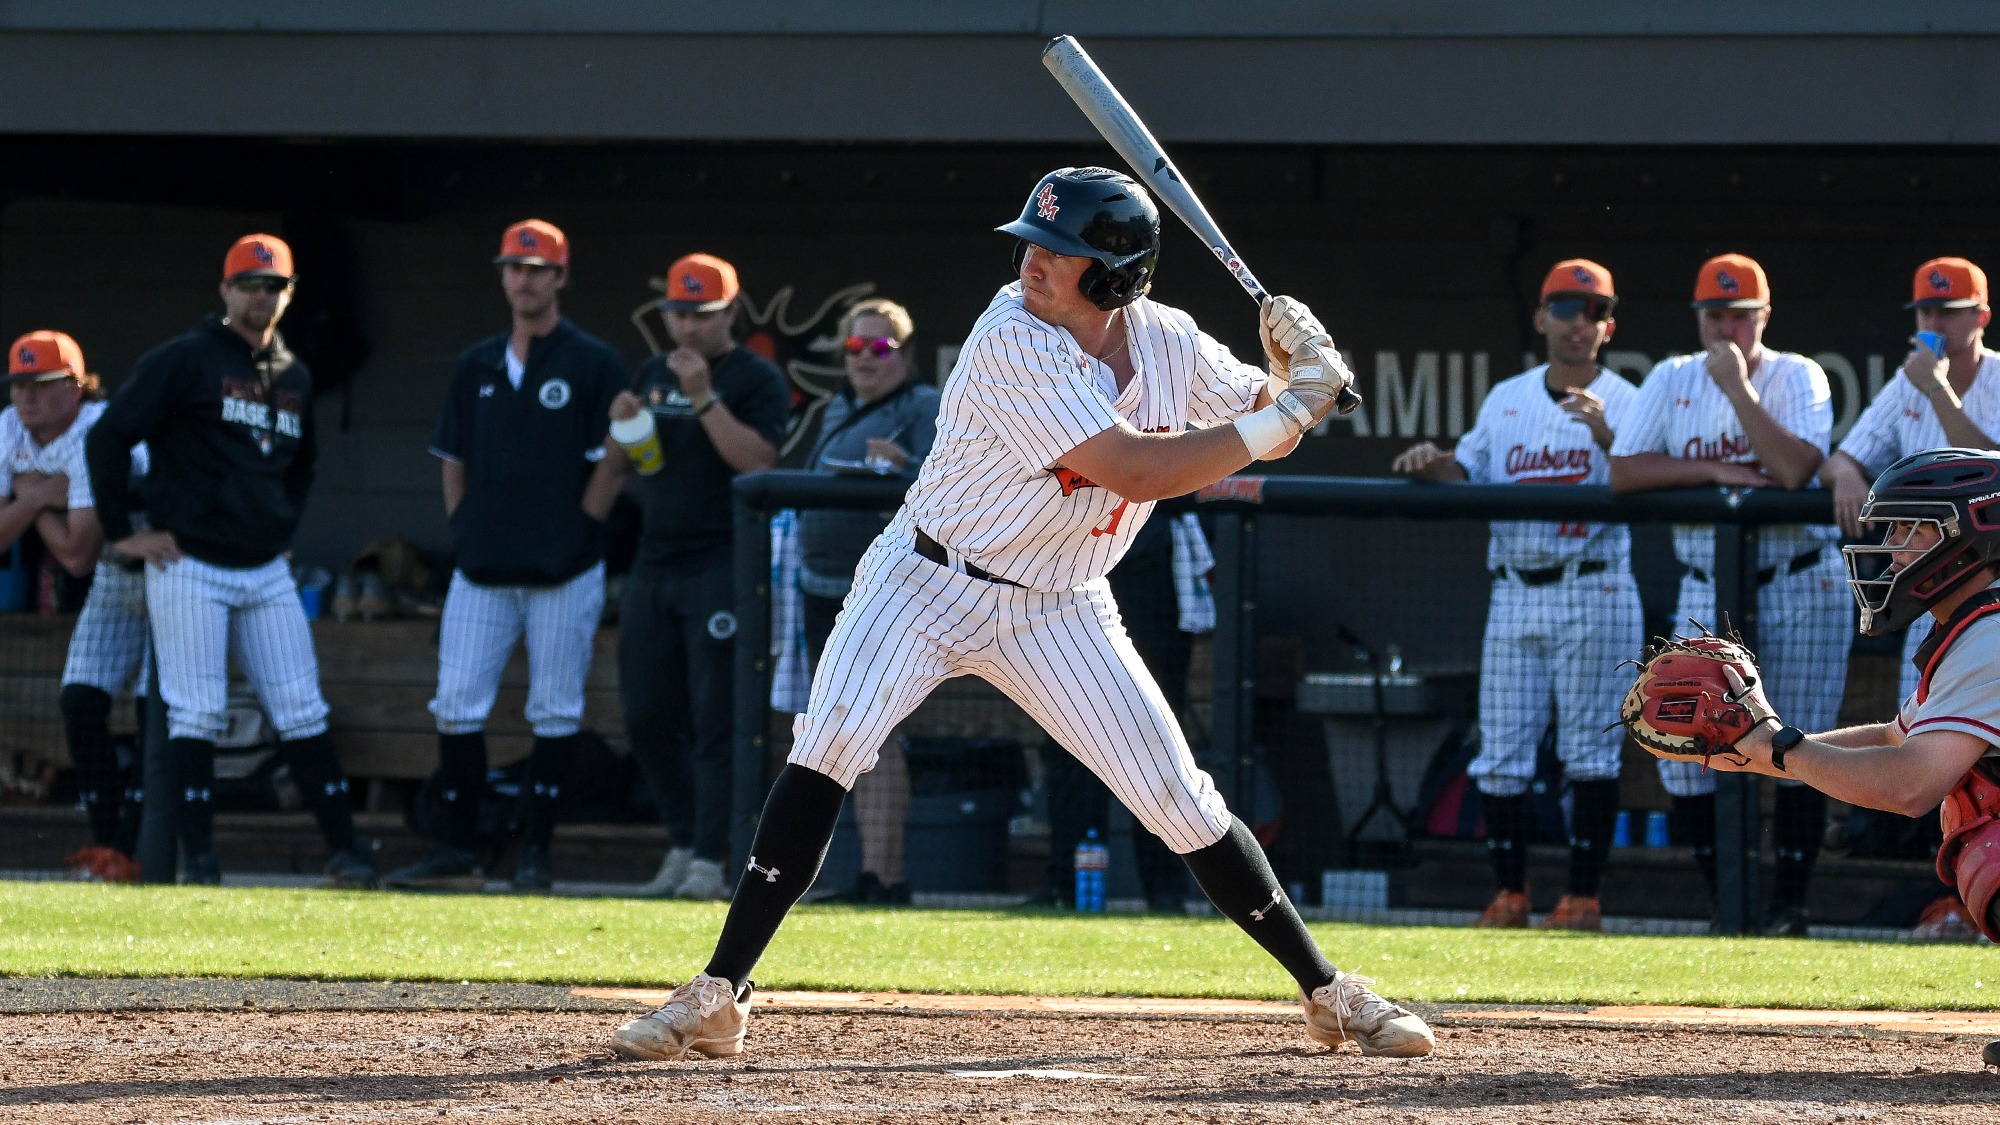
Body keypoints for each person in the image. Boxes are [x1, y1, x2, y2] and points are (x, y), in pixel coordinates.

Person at [610, 166, 1434, 1062]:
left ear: (1115, 275)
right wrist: (1296, 407)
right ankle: (719, 992)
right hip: (926, 578)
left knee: (1175, 793)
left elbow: (1264, 413)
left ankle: (1328, 993)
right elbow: (1144, 470)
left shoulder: (1171, 343)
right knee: (832, 740)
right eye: (1033, 242)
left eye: (1061, 252)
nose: (1032, 262)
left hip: (1060, 602)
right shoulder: (1010, 336)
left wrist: (1300, 378)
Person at [1685, 446, 2000, 1067]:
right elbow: (1894, 737)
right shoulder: (1976, 626)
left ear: (1976, 532)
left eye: (1916, 529)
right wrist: (1757, 748)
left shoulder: (1990, 633)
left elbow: (1911, 785)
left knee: (1991, 848)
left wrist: (1781, 751)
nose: (1893, 547)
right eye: (1894, 529)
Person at [85, 234, 374, 888]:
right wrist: (121, 531)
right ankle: (203, 865)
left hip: (264, 566)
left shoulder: (295, 373)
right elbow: (108, 435)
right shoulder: (185, 360)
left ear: (290, 293)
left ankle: (350, 852)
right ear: (224, 289)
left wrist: (282, 528)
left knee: (300, 705)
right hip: (188, 562)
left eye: (274, 286)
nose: (261, 296)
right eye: (249, 283)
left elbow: (303, 467)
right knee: (196, 711)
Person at [1392, 259, 1642, 931]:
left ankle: (1583, 898)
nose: (1577, 322)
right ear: (1541, 318)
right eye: (1565, 307)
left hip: (1594, 581)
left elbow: (1650, 480)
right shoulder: (1507, 397)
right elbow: (1465, 472)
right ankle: (1510, 894)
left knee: (1590, 751)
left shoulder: (1625, 398)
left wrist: (1610, 438)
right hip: (1516, 585)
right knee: (1502, 748)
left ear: (1608, 326)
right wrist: (1429, 464)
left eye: (1592, 311)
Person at [1608, 253, 1849, 935]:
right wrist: (1715, 468)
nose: (1725, 330)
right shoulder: (1673, 376)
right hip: (1704, 590)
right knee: (1687, 750)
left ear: (1762, 318)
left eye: (1739, 316)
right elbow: (1624, 470)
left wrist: (1740, 389)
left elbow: (1796, 467)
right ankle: (1726, 905)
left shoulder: (1797, 373)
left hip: (1798, 581)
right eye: (1714, 315)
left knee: (1804, 748)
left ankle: (1791, 907)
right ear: (1699, 317)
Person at [386, 219, 627, 893]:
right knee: (456, 701)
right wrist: (464, 526)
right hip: (482, 571)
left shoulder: (593, 360)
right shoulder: (477, 362)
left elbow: (620, 456)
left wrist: (584, 526)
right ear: (503, 276)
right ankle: (457, 849)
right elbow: (451, 459)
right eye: (514, 268)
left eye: (538, 269)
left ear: (560, 277)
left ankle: (535, 854)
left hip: (565, 569)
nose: (525, 280)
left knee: (554, 708)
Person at [609, 253, 790, 901]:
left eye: (700, 315)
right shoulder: (652, 371)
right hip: (654, 560)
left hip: (721, 562)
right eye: (678, 315)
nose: (686, 329)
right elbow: (637, 469)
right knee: (646, 715)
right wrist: (626, 425)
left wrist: (702, 398)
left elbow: (758, 461)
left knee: (716, 716)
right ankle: (683, 840)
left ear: (730, 313)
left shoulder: (754, 377)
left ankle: (712, 855)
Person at [798, 297, 939, 904]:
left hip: (893, 592)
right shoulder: (837, 407)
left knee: (879, 735)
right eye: (854, 349)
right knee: (835, 733)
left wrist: (906, 466)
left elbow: (958, 481)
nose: (864, 360)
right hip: (821, 586)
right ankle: (859, 874)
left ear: (904, 353)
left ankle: (887, 875)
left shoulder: (924, 407)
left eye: (878, 348)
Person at [0, 332, 143, 879]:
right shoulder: (10, 427)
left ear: (77, 387)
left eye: (42, 383)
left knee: (161, 717)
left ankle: (136, 849)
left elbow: (76, 556)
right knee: (81, 702)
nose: (27, 397)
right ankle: (108, 847)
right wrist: (40, 497)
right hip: (115, 572)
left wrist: (24, 500)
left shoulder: (95, 431)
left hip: (166, 571)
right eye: (18, 384)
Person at [1824, 257, 2000, 701]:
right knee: (1920, 716)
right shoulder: (1907, 382)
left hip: (1992, 577)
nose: (1934, 323)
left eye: (1949, 311)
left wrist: (1937, 389)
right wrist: (1846, 472)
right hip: (1931, 580)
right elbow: (1840, 459)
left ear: (1981, 316)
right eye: (1926, 312)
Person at [1039, 509, 1208, 913]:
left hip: (1151, 594)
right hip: (1073, 578)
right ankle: (1066, 886)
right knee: (1068, 741)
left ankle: (1165, 891)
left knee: (1156, 746)